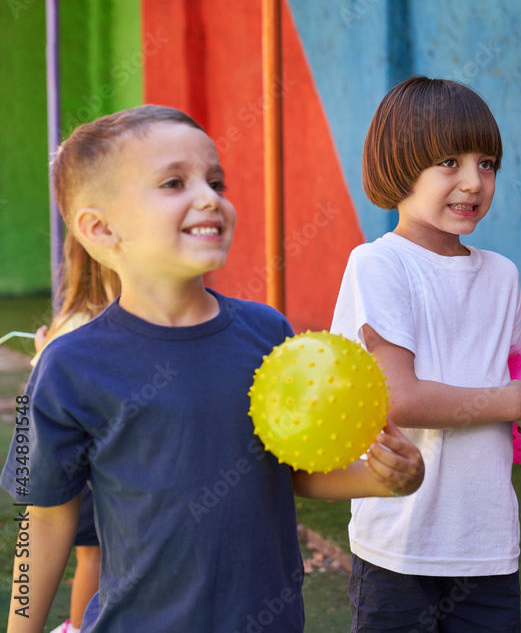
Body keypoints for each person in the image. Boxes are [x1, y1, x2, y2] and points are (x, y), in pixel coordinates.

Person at [2, 105, 424, 633]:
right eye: (175, 182)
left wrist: (383, 480)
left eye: (216, 180)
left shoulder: (268, 335)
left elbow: (290, 470)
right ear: (102, 228)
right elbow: (41, 520)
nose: (210, 197)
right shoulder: (68, 365)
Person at [330, 76, 521, 632]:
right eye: (449, 162)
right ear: (399, 166)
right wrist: (515, 402)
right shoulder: (379, 265)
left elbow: (516, 389)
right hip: (400, 545)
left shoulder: (502, 275)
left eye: (488, 163)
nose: (474, 181)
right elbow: (400, 398)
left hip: (487, 545)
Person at [30, 236, 119, 633]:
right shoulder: (101, 325)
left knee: (91, 557)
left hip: (79, 461)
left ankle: (78, 626)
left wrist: (41, 351)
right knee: (95, 557)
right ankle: (81, 626)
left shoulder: (69, 321)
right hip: (94, 465)